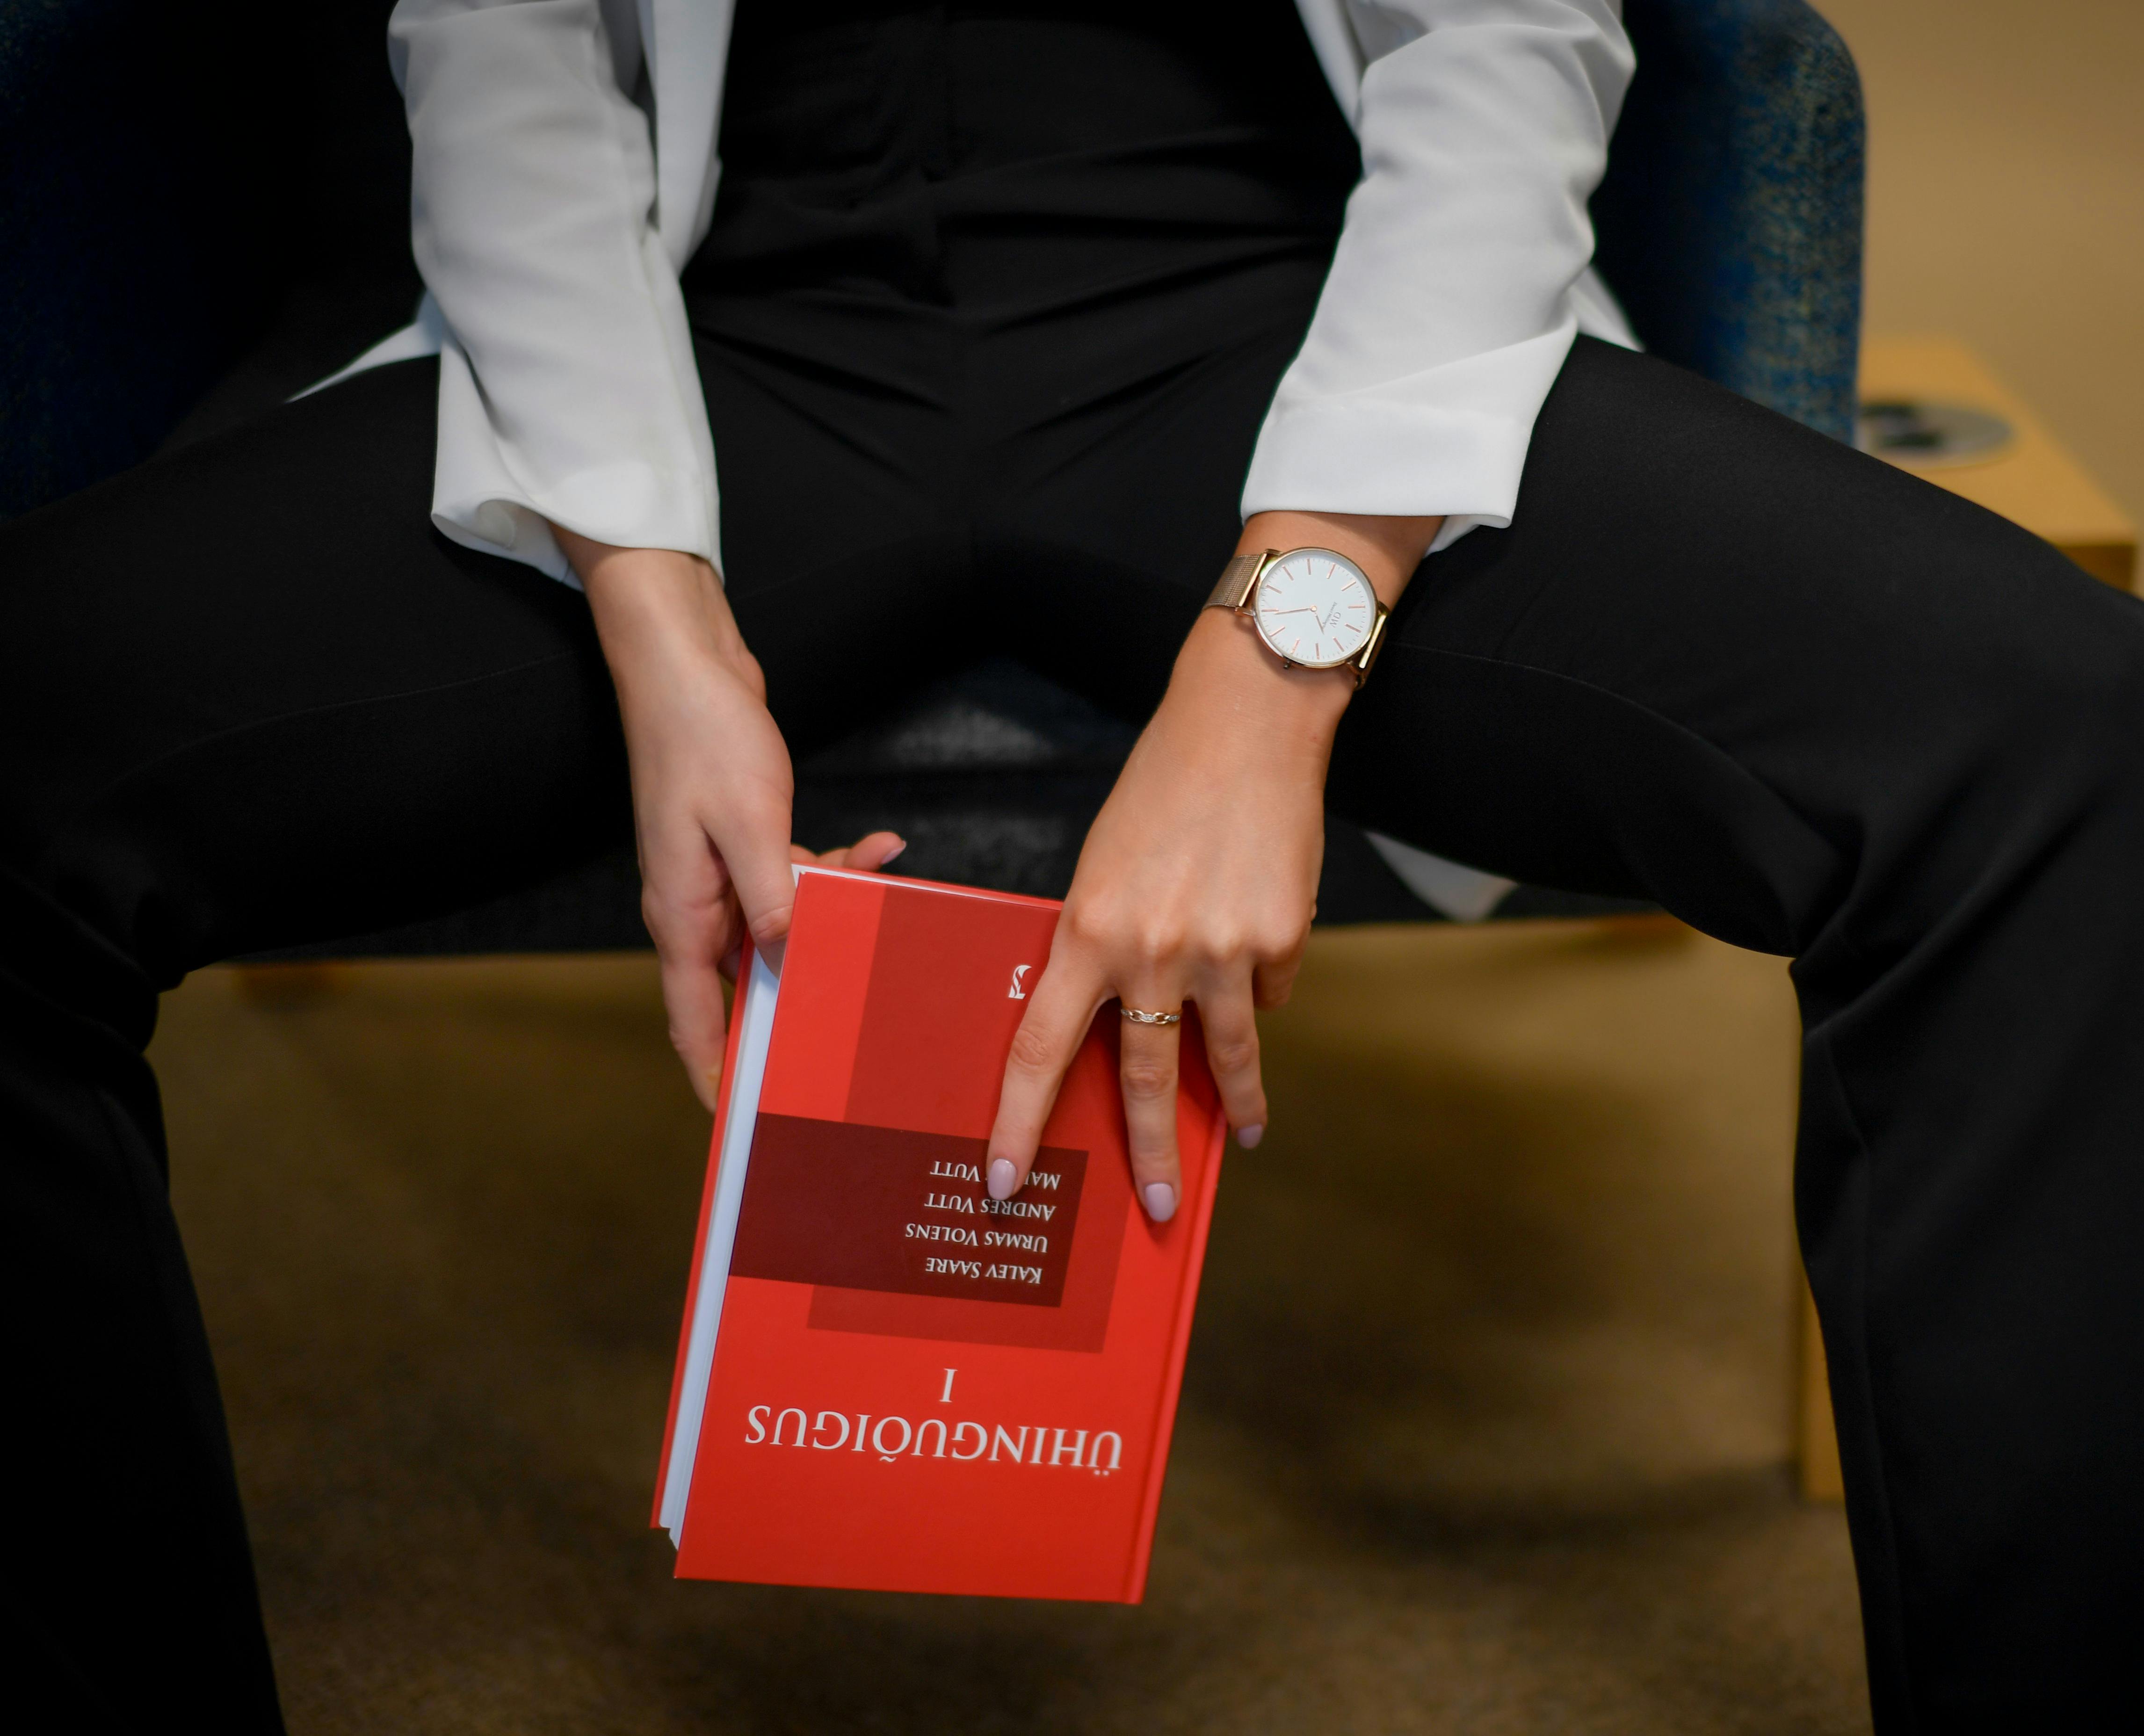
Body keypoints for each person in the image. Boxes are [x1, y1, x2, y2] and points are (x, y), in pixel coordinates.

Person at [2, 0, 2138, 1728]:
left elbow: (1508, 49)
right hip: (708, 326)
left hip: (1284, 324)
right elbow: (508, 52)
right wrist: (651, 610)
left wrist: (1280, 649)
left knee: (2055, 734)